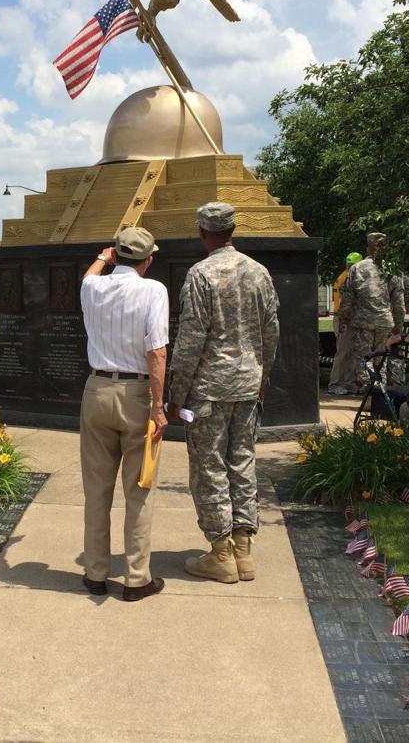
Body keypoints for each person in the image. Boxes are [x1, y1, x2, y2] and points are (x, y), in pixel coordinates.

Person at [167, 203, 279, 584]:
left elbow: (190, 341)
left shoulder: (200, 275)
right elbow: (271, 331)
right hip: (247, 386)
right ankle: (244, 551)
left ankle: (221, 554)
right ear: (233, 230)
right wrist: (263, 378)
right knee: (243, 462)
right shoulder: (259, 272)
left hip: (209, 391)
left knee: (209, 468)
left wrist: (175, 394)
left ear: (202, 232)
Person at [78, 227, 169, 602]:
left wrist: (102, 258)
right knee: (139, 489)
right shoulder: (153, 290)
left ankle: (96, 573)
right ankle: (136, 577)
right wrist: (159, 405)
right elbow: (157, 352)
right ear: (147, 261)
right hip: (136, 393)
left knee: (96, 490)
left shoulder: (92, 288)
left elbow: (88, 276)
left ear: (116, 255)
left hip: (97, 389)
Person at [331, 232, 405, 396]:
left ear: (368, 247)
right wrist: (398, 324)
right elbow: (398, 301)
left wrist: (344, 320)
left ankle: (369, 392)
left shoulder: (358, 268)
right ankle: (381, 393)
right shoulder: (393, 268)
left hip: (362, 322)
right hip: (385, 322)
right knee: (380, 360)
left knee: (364, 359)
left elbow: (347, 299)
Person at [326, 253, 362, 394]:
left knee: (350, 352)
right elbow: (344, 303)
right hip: (343, 319)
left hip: (345, 318)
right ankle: (335, 385)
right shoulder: (348, 278)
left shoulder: (344, 276)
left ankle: (348, 383)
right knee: (343, 352)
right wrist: (344, 321)